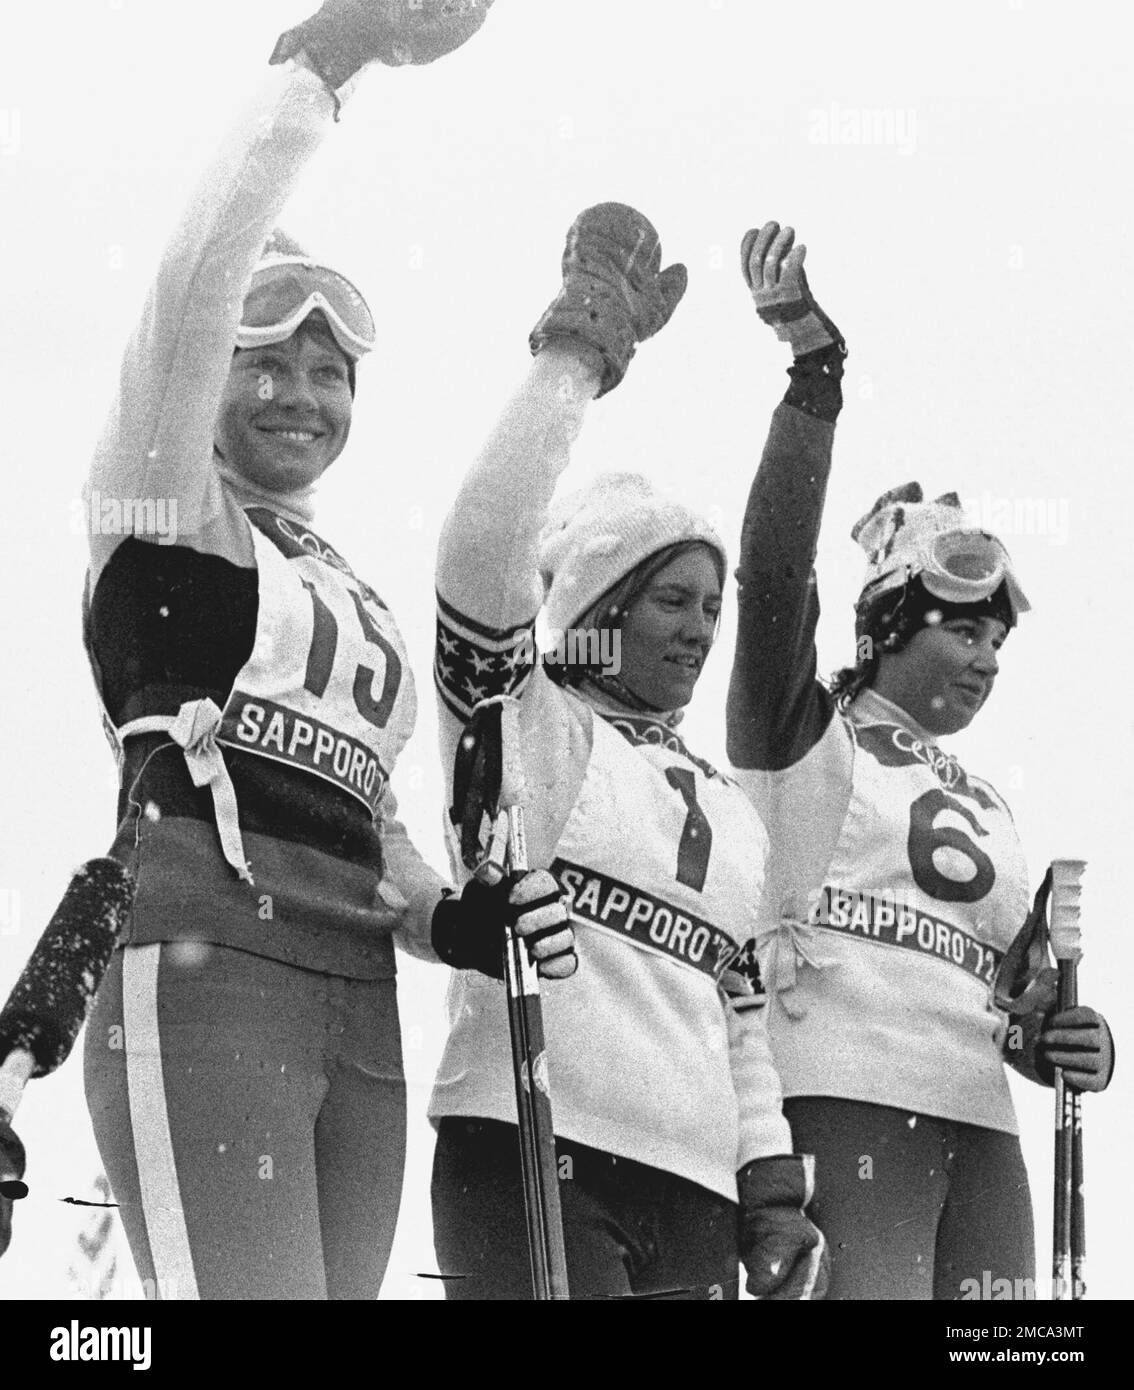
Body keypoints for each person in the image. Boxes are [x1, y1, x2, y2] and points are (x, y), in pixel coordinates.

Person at [79, 0, 573, 1301]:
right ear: (213, 376)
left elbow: (379, 831)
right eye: (269, 359)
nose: (304, 392)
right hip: (207, 970)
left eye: (332, 371)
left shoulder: (352, 593)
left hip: (357, 1004)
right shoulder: (164, 506)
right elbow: (190, 286)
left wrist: (450, 918)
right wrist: (322, 69)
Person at [428, 202, 827, 1301]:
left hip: (694, 1185)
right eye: (669, 598)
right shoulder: (534, 726)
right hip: (531, 1136)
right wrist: (579, 352)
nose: (702, 626)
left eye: (711, 603)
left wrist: (771, 1194)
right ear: (598, 599)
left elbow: (739, 1014)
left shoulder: (729, 810)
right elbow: (479, 551)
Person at [726, 221, 1115, 1300]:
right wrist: (815, 378)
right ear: (890, 622)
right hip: (840, 1093)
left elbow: (1024, 994)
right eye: (962, 629)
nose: (986, 659)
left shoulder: (987, 800)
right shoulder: (800, 731)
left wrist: (1069, 1039)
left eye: (998, 639)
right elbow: (769, 575)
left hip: (980, 1125)